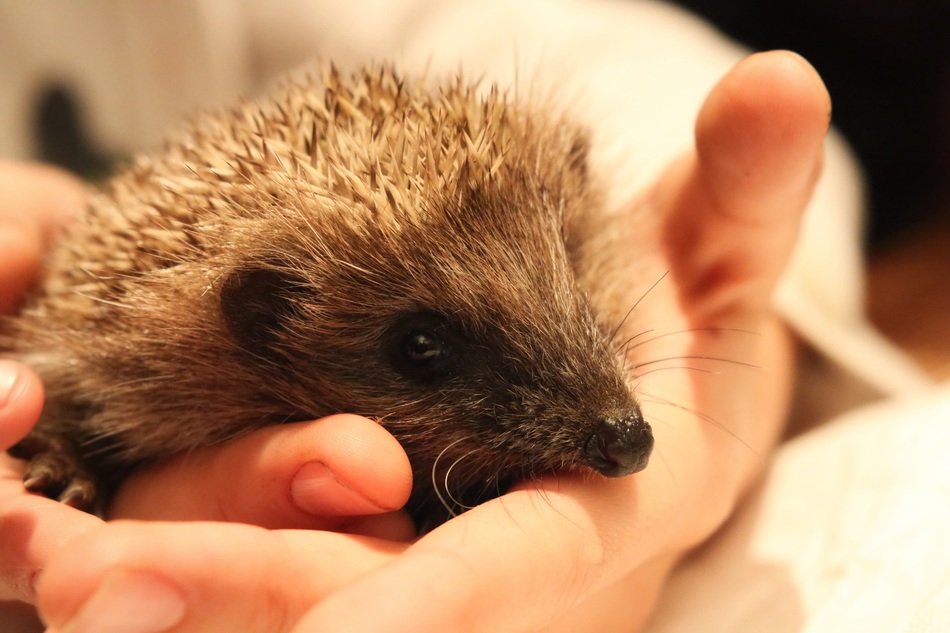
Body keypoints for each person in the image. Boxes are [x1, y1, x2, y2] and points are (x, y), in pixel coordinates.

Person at [0, 2, 938, 632]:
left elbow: (555, 32)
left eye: (564, 283)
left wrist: (737, 319)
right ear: (266, 323)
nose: (619, 432)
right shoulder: (142, 363)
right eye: (420, 349)